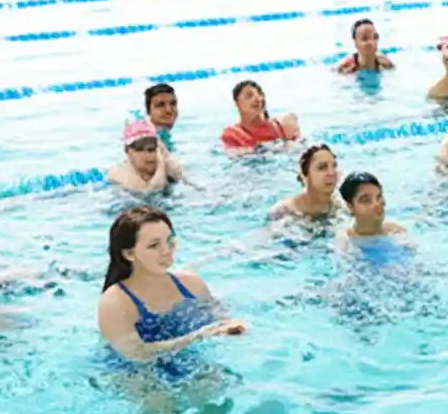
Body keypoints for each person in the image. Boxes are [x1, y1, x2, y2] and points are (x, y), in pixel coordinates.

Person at [97, 206, 246, 363]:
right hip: (136, 373)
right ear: (129, 254)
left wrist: (233, 326)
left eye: (169, 241)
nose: (166, 251)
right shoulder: (115, 302)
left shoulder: (191, 284)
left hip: (190, 361)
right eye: (154, 245)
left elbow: (220, 316)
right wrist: (197, 337)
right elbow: (136, 354)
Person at [333, 172, 412, 260]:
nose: (376, 204)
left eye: (379, 197)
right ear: (350, 207)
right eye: (366, 200)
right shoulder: (345, 241)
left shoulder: (397, 231)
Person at [268, 144, 343, 222]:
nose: (332, 173)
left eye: (334, 166)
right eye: (322, 167)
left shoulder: (340, 204)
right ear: (305, 176)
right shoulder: (284, 211)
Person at [107, 120, 186, 194]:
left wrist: (166, 158)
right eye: (139, 150)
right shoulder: (119, 173)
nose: (147, 155)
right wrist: (161, 163)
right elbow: (151, 190)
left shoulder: (167, 165)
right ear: (128, 152)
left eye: (151, 149)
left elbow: (188, 182)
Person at [221, 80, 300, 150]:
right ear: (237, 104)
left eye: (259, 95)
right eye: (249, 96)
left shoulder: (281, 126)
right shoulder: (233, 134)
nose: (257, 99)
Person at [143, 83, 179, 150]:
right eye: (160, 105)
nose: (168, 110)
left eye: (173, 104)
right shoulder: (149, 141)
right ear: (148, 111)